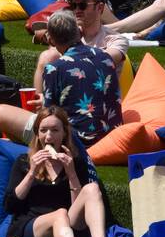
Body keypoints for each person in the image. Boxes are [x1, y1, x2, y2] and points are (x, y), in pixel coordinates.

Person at [4, 105, 118, 237]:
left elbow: (79, 205)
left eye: (55, 130)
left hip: (68, 227)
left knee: (92, 189)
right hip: (33, 228)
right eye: (43, 130)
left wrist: (71, 172)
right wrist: (32, 172)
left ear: (64, 133)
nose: (48, 136)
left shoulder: (75, 162)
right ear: (37, 133)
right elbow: (10, 205)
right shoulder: (24, 162)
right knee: (60, 213)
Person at [40, 9, 122, 146]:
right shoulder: (106, 58)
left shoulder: (54, 69)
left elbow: (48, 117)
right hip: (112, 137)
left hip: (78, 141)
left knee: (0, 113)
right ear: (80, 32)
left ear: (51, 40)